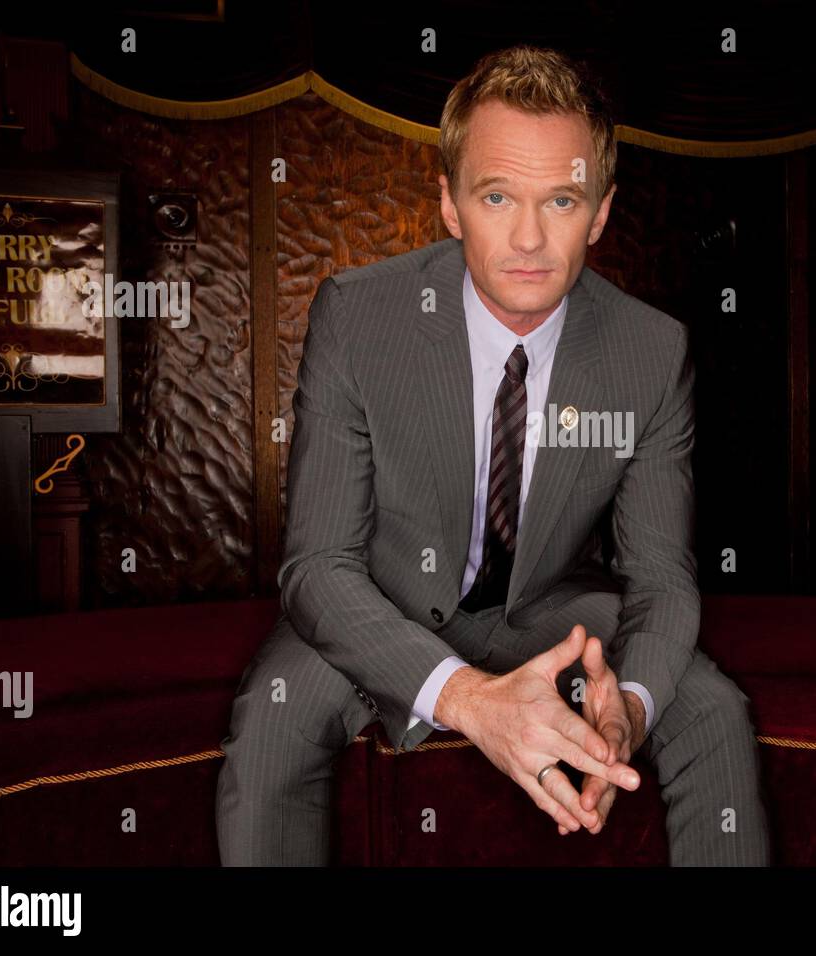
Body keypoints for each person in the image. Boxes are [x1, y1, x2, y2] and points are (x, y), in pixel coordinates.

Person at [216, 44, 770, 866]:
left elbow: (661, 579)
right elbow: (318, 566)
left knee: (714, 710)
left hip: (549, 612)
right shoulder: (358, 318)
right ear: (448, 203)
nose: (529, 237)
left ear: (602, 213)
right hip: (382, 603)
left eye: (562, 200)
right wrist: (470, 701)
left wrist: (633, 711)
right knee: (273, 720)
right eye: (498, 195)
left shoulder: (652, 351)